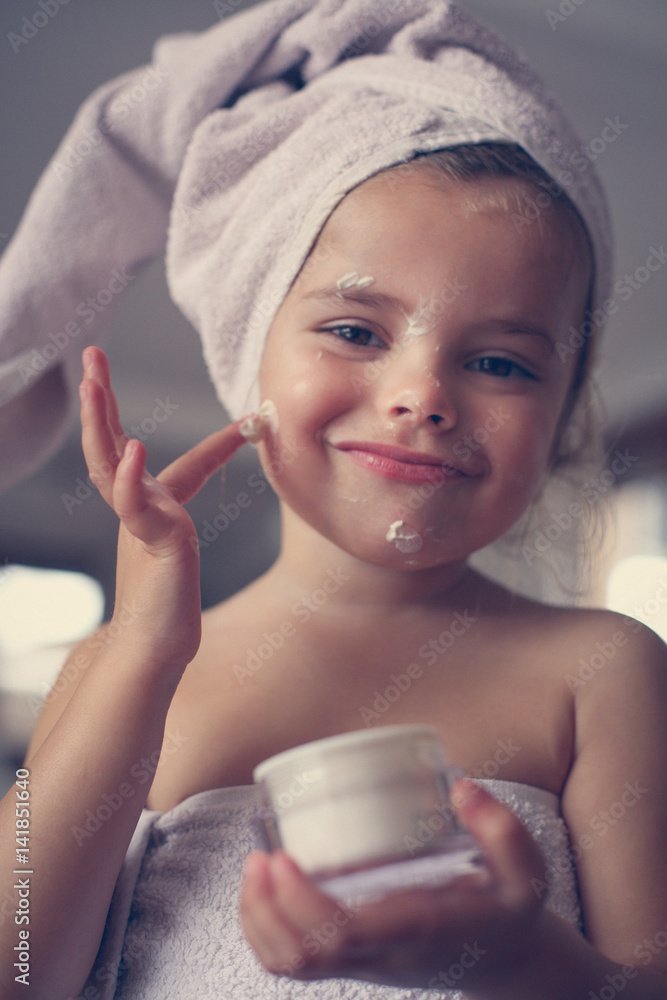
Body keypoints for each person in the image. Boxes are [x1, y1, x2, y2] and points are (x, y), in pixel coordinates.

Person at [0, 3, 666, 999]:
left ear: (565, 412)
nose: (422, 397)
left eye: (496, 360)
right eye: (356, 331)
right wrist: (142, 645)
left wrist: (526, 960)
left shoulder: (602, 670)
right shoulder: (113, 668)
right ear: (245, 359)